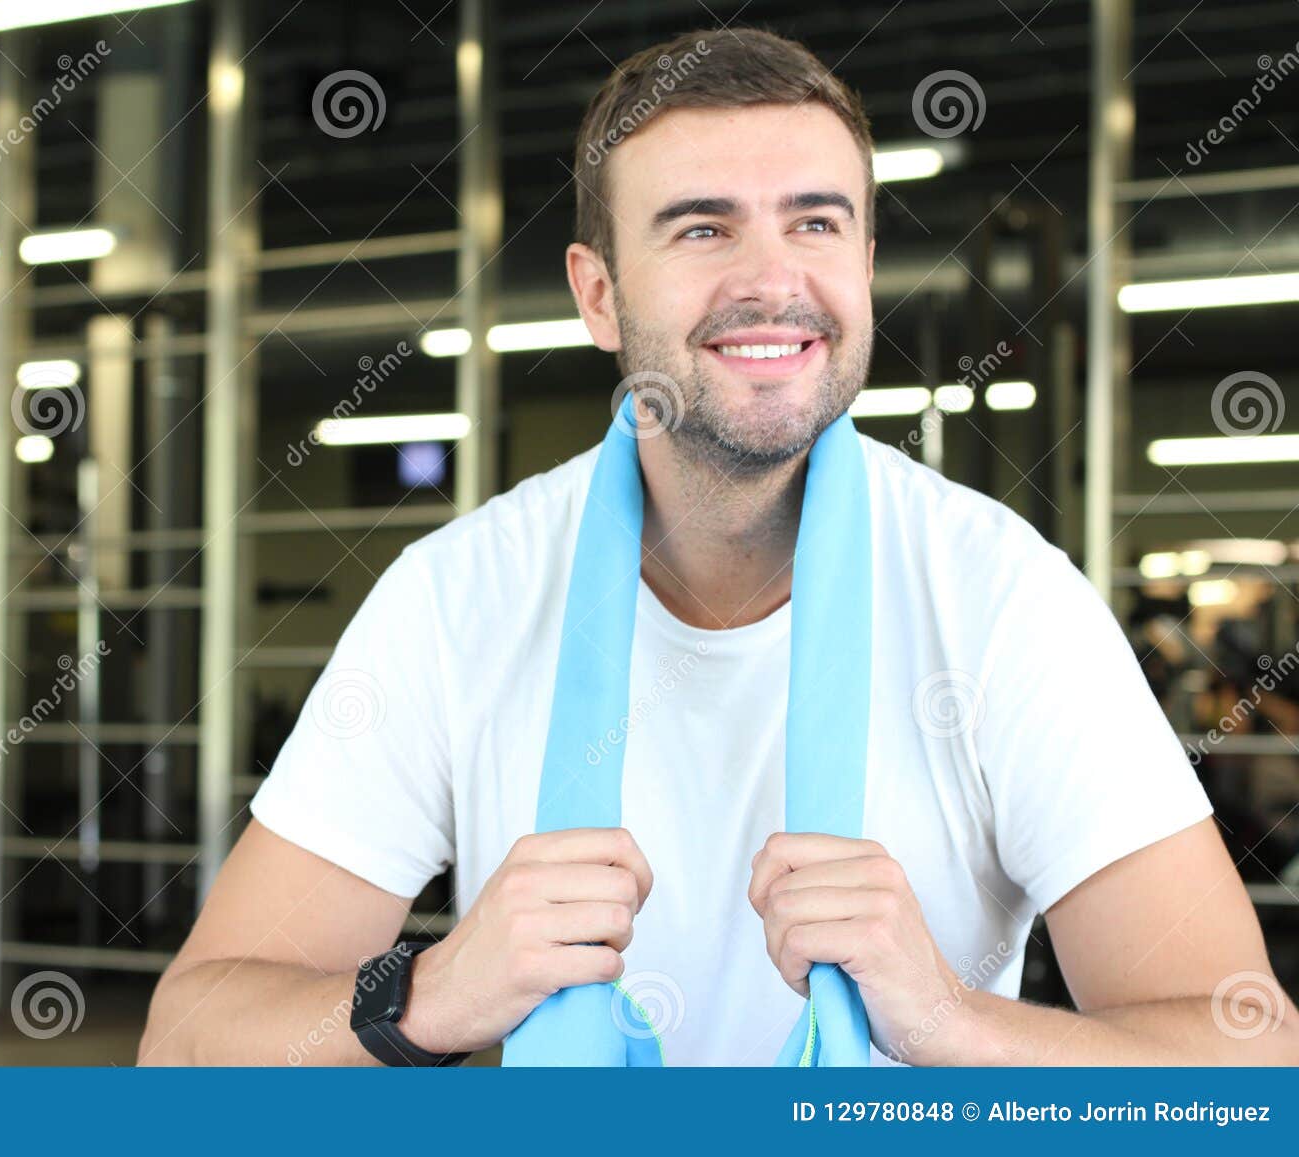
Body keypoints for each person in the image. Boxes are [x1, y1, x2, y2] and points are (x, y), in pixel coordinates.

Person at [139, 26, 1299, 1066]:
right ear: (597, 296)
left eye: (815, 221)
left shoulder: (1002, 602)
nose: (770, 279)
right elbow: (188, 1040)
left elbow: (1250, 1064)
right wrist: (436, 989)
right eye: (702, 226)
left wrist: (949, 1018)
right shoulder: (456, 599)